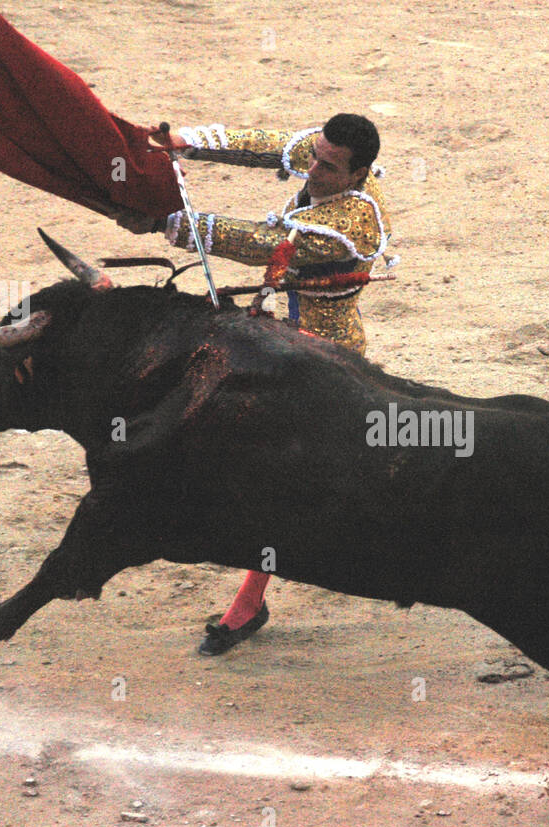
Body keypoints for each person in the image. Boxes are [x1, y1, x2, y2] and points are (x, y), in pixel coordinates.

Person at [117, 112, 393, 655]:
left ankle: (250, 597)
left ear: (359, 173)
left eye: (327, 165)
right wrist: (188, 142)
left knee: (275, 479)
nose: (311, 168)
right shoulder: (327, 167)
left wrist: (172, 223)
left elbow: (265, 245)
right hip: (280, 336)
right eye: (314, 155)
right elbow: (273, 146)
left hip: (319, 361)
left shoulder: (351, 223)